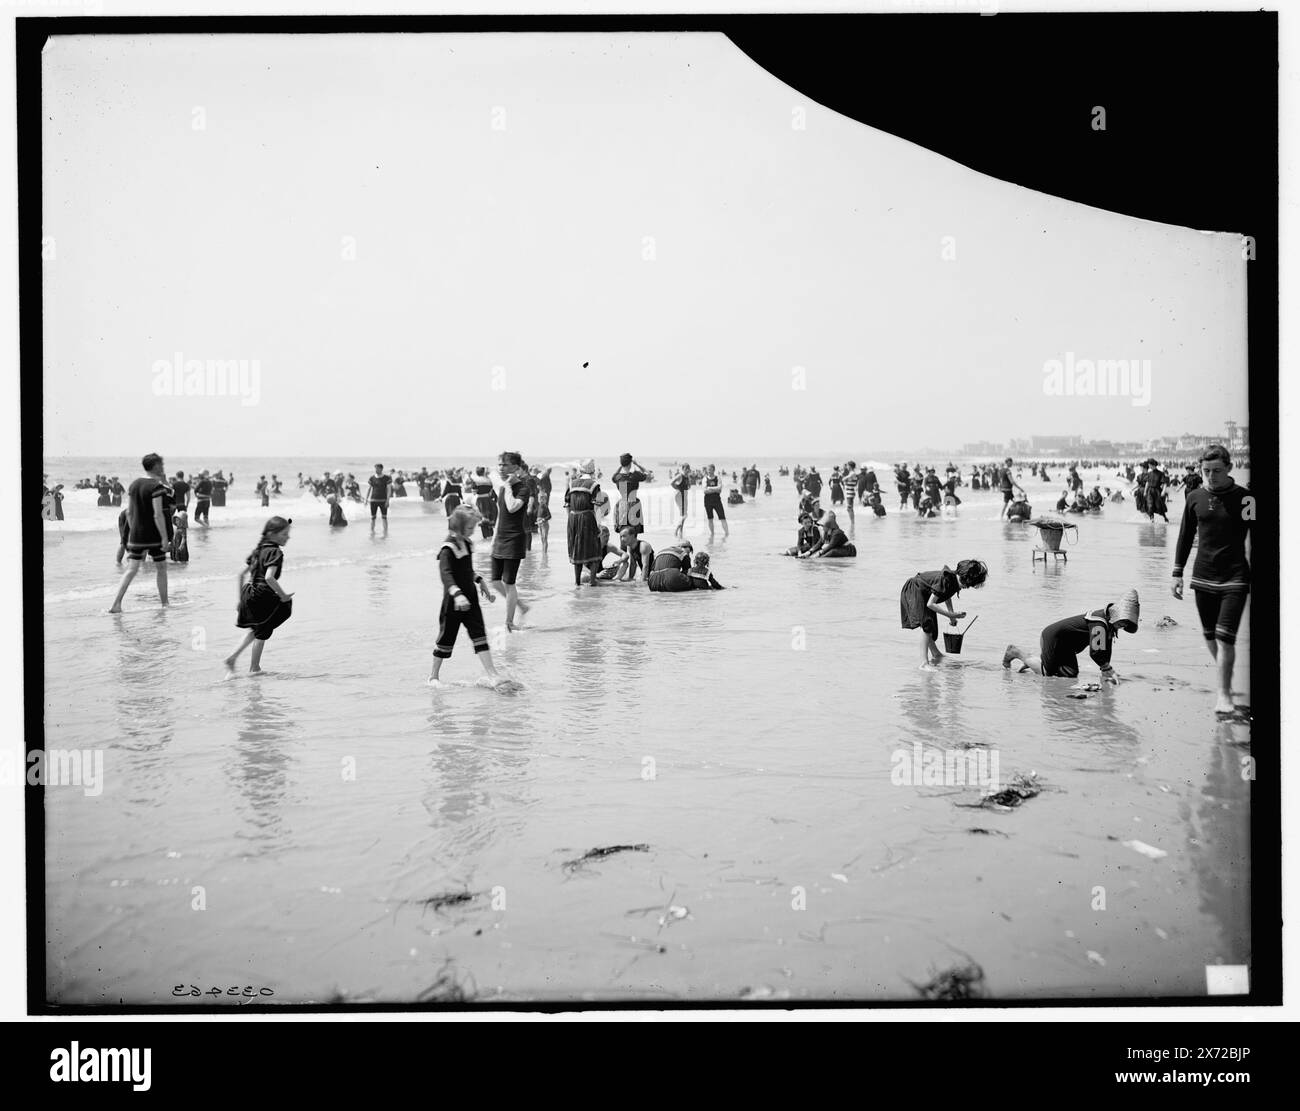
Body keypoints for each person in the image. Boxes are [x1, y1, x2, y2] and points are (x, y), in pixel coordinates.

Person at [1171, 444, 1252, 715]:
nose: (1211, 476)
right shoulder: (1195, 497)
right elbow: (1184, 536)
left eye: (1217, 471)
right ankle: (1224, 678)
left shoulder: (1246, 499)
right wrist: (1176, 573)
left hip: (1235, 577)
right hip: (1203, 576)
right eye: (1206, 471)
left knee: (1225, 637)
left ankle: (1224, 693)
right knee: (1209, 636)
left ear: (1229, 468)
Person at [428, 506, 502, 686]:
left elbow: (466, 570)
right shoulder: (448, 548)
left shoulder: (467, 544)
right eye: (470, 528)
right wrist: (458, 594)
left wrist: (480, 580)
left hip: (471, 599)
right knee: (446, 638)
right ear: (458, 526)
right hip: (453, 602)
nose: (473, 531)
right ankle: (433, 676)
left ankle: (492, 674)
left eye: (474, 527)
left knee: (479, 636)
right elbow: (446, 574)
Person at [1003, 591, 1140, 682]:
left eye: (1125, 624)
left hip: (1066, 645)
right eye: (1123, 622)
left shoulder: (1107, 624)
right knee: (1047, 674)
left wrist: (1106, 669)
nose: (1123, 626)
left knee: (1069, 674)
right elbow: (1096, 652)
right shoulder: (1099, 624)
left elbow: (1105, 649)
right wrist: (1107, 669)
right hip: (1053, 638)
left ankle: (1036, 662)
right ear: (1115, 615)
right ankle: (1016, 652)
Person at [225, 517, 295, 673]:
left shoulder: (258, 550)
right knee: (270, 622)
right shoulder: (275, 552)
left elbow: (240, 574)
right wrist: (283, 595)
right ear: (271, 533)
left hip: (248, 592)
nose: (287, 537)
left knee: (256, 629)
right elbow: (269, 578)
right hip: (262, 594)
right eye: (284, 534)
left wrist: (240, 601)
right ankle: (254, 667)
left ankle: (232, 658)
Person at [108, 453, 173, 613]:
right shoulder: (156, 486)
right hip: (153, 535)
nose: (163, 467)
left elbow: (129, 512)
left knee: (131, 569)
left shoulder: (134, 484)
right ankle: (164, 603)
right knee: (161, 568)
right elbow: (158, 514)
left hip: (136, 535)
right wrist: (164, 538)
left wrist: (134, 532)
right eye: (161, 465)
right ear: (156, 466)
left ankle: (116, 604)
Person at [899, 559, 988, 670]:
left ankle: (936, 654)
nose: (966, 587)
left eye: (969, 585)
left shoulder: (953, 581)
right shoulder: (946, 579)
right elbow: (931, 604)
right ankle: (924, 663)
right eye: (966, 583)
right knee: (927, 625)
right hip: (915, 590)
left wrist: (951, 615)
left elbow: (946, 595)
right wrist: (952, 615)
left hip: (924, 594)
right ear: (962, 576)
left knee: (930, 626)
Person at [490, 451, 531, 630]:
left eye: (504, 465)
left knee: (509, 583)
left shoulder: (523, 488)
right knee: (494, 581)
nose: (501, 468)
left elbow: (513, 507)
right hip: (500, 538)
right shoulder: (502, 486)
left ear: (515, 467)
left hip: (514, 540)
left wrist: (507, 486)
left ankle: (509, 622)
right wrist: (493, 537)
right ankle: (521, 606)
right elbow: (501, 513)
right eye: (499, 464)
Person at [564, 459, 604, 586]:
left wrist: (571, 521)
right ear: (592, 470)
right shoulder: (594, 485)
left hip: (572, 518)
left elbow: (567, 505)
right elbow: (597, 507)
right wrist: (599, 524)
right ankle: (593, 582)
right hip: (587, 517)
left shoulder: (572, 484)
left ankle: (577, 583)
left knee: (577, 550)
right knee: (594, 549)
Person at [701, 464, 729, 540]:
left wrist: (710, 488)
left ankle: (727, 534)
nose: (709, 471)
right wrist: (715, 489)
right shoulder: (705, 479)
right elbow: (705, 491)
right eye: (708, 470)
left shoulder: (718, 478)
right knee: (710, 518)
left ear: (714, 470)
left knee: (722, 517)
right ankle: (712, 534)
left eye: (710, 469)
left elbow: (720, 489)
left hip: (717, 501)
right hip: (708, 501)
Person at [367, 463, 392, 534]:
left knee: (384, 518)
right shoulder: (372, 478)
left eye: (377, 468)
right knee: (372, 518)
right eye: (375, 468)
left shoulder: (387, 478)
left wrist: (387, 501)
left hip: (383, 500)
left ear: (381, 469)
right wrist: (366, 499)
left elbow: (389, 490)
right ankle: (371, 533)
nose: (376, 470)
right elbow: (369, 489)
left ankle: (385, 533)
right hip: (373, 500)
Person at [670, 464, 691, 539]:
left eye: (688, 468)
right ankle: (676, 530)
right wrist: (677, 488)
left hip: (684, 495)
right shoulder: (680, 476)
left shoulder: (687, 477)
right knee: (684, 515)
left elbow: (688, 486)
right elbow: (671, 482)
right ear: (683, 469)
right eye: (686, 468)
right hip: (679, 495)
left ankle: (680, 531)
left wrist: (688, 485)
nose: (687, 470)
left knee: (683, 514)